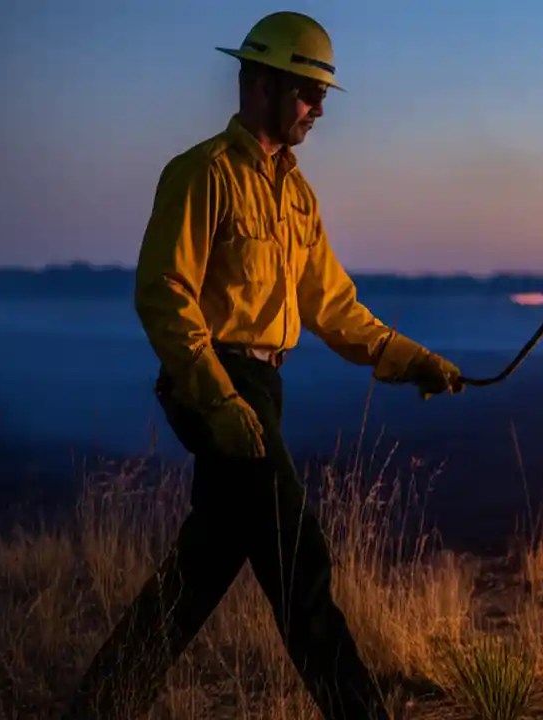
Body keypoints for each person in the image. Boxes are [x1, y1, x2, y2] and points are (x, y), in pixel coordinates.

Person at [64, 11, 463, 719]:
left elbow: (336, 309)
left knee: (205, 564)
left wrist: (417, 361)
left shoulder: (296, 197)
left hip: (262, 387)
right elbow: (164, 295)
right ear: (258, 83)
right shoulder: (201, 174)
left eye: (322, 97)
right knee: (298, 555)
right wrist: (217, 401)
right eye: (306, 93)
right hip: (214, 378)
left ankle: (100, 703)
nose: (317, 110)